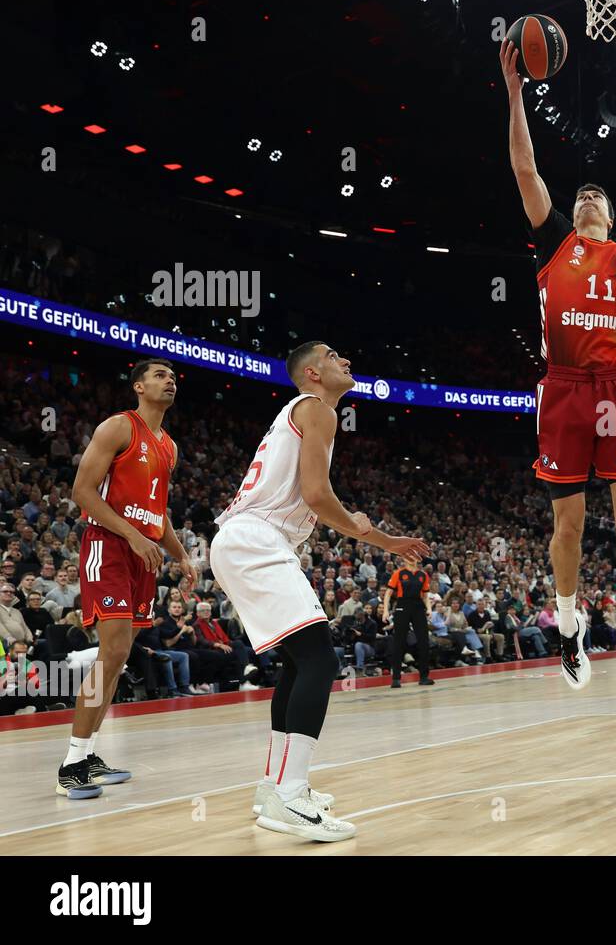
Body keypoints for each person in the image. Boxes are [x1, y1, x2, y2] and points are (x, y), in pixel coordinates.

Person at [500, 38, 616, 703]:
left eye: (595, 200)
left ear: (609, 216)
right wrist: (518, 93)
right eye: (579, 198)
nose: (585, 202)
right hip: (564, 390)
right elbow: (525, 170)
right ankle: (570, 627)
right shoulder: (557, 243)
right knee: (568, 525)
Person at [210, 341, 429, 841]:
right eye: (333, 356)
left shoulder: (301, 412)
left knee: (299, 662)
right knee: (321, 661)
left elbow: (317, 498)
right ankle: (290, 795)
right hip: (255, 540)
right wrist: (362, 529)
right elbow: (316, 494)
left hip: (240, 541)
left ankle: (273, 787)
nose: (346, 359)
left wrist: (385, 541)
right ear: (311, 373)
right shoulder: (318, 410)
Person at [58, 358, 191, 800]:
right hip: (109, 545)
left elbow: (160, 512)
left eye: (172, 377)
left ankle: (88, 754)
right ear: (138, 386)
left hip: (143, 555)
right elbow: (82, 492)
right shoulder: (119, 427)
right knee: (111, 652)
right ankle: (70, 765)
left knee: (118, 659)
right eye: (159, 375)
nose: (169, 381)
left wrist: (182, 555)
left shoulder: (169, 446)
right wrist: (133, 536)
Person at [381, 556, 434, 688]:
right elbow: (388, 593)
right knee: (399, 641)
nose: (411, 559)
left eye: (414, 557)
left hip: (418, 606)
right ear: (404, 560)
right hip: (402, 606)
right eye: (408, 557)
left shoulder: (423, 575)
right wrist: (385, 611)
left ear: (418, 559)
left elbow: (426, 595)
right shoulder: (398, 573)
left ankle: (424, 677)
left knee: (423, 641)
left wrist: (429, 608)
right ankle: (396, 678)